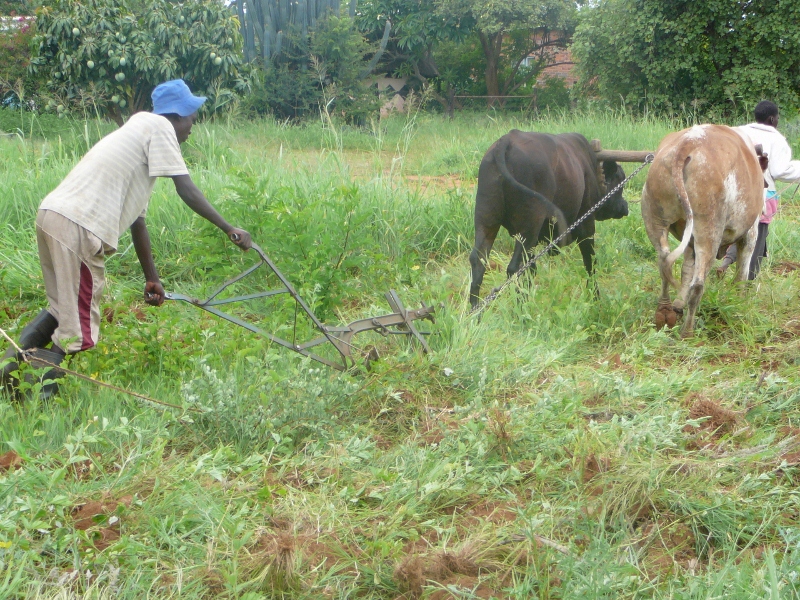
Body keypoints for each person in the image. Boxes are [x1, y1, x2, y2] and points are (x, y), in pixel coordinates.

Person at [1, 79, 252, 399]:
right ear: (177, 115)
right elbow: (186, 189)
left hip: (52, 216)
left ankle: (8, 375)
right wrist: (229, 228)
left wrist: (152, 278)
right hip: (78, 226)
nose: (193, 125)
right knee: (78, 329)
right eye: (192, 117)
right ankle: (39, 399)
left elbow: (138, 222)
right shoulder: (160, 126)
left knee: (61, 308)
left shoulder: (137, 136)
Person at [718, 100, 800, 279]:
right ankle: (749, 280)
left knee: (734, 230)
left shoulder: (737, 131)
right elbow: (779, 170)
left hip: (732, 192)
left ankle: (724, 263)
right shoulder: (777, 139)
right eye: (777, 118)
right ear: (772, 119)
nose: (777, 121)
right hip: (761, 194)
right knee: (756, 238)